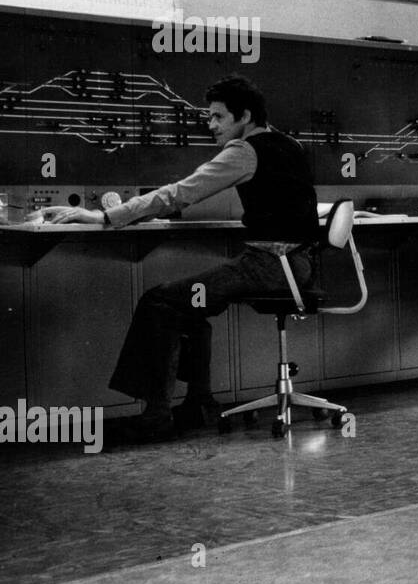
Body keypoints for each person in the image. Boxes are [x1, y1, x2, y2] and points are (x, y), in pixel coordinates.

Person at [40, 76, 319, 442]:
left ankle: (156, 417)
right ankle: (198, 403)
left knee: (160, 302)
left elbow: (179, 193)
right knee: (186, 305)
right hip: (299, 266)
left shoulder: (245, 151)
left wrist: (106, 216)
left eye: (219, 117)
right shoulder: (290, 145)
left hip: (269, 267)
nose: (211, 125)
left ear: (245, 116)